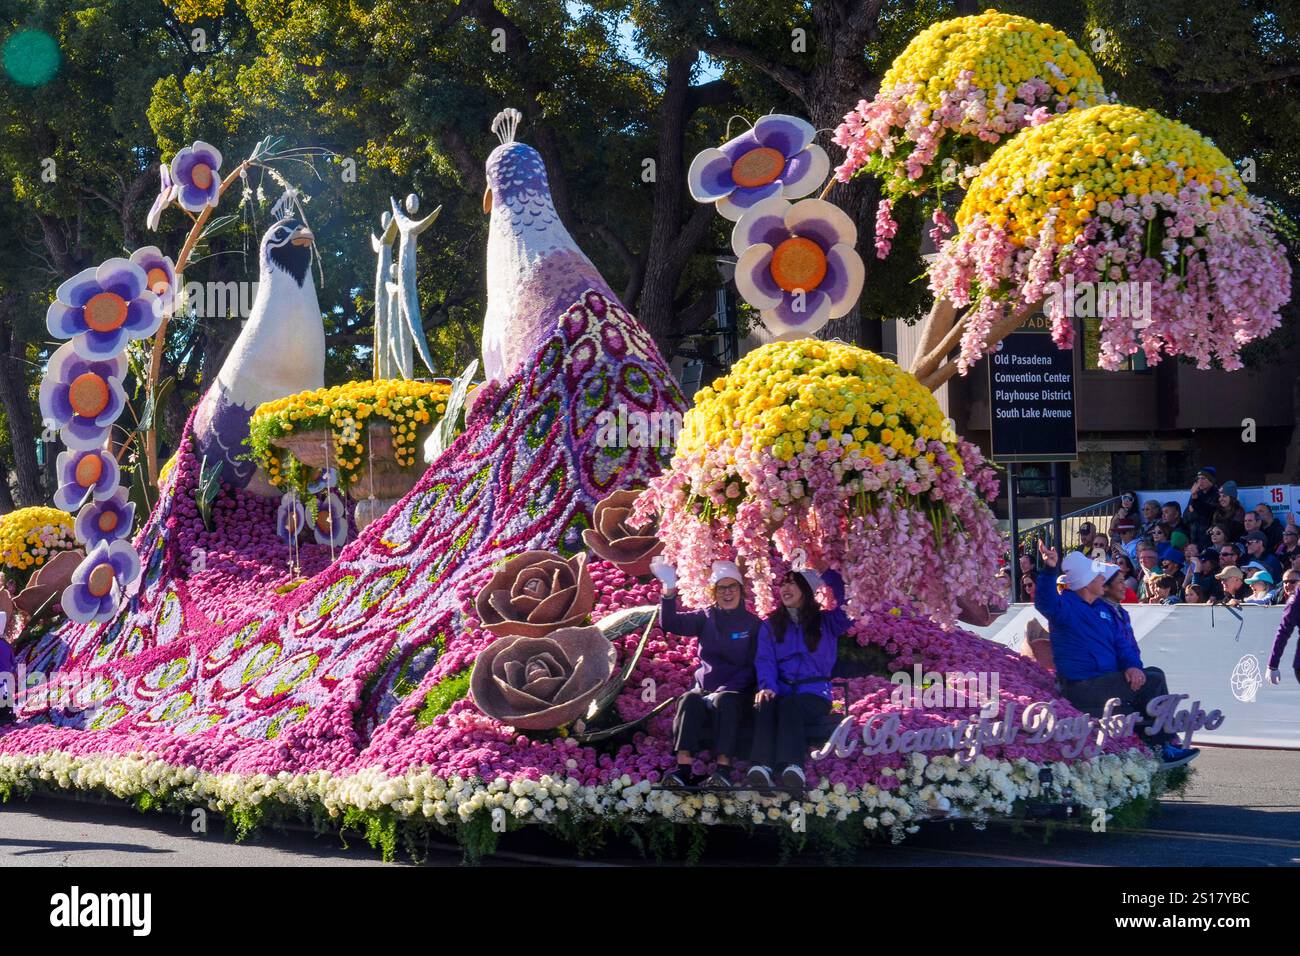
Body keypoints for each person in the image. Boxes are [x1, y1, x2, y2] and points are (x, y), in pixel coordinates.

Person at [1033, 543, 1198, 769]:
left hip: (1106, 680)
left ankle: (1159, 748)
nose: (1102, 580)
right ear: (1086, 583)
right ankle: (1162, 748)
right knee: (1154, 681)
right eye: (1097, 577)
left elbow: (1123, 646)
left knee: (1150, 678)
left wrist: (1133, 667)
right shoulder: (1066, 606)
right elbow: (1045, 602)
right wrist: (1050, 569)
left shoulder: (1103, 609)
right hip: (1082, 685)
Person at [652, 557, 762, 788]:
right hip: (705, 690)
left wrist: (722, 690)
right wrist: (669, 588)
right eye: (721, 588)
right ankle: (683, 771)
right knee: (689, 699)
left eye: (732, 586)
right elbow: (670, 623)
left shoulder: (753, 625)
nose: (727, 592)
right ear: (714, 592)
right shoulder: (706, 616)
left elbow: (754, 665)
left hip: (736, 692)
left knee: (725, 700)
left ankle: (723, 770)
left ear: (741, 590)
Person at [746, 563, 853, 790]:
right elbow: (765, 660)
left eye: (793, 583)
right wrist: (767, 686)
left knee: (790, 705)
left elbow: (850, 605)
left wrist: (826, 571)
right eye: (784, 583)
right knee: (765, 703)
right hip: (782, 691)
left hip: (814, 694)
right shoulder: (770, 625)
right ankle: (761, 768)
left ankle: (793, 767)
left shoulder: (827, 622)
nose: (786, 587)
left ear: (807, 590)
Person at [1186, 468, 1219, 545]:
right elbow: (1186, 517)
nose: (1200, 481)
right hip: (1194, 538)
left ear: (1211, 480)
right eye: (1198, 478)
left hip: (1209, 539)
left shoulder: (1217, 495)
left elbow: (1208, 515)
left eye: (1203, 478)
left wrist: (1194, 510)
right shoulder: (1196, 494)